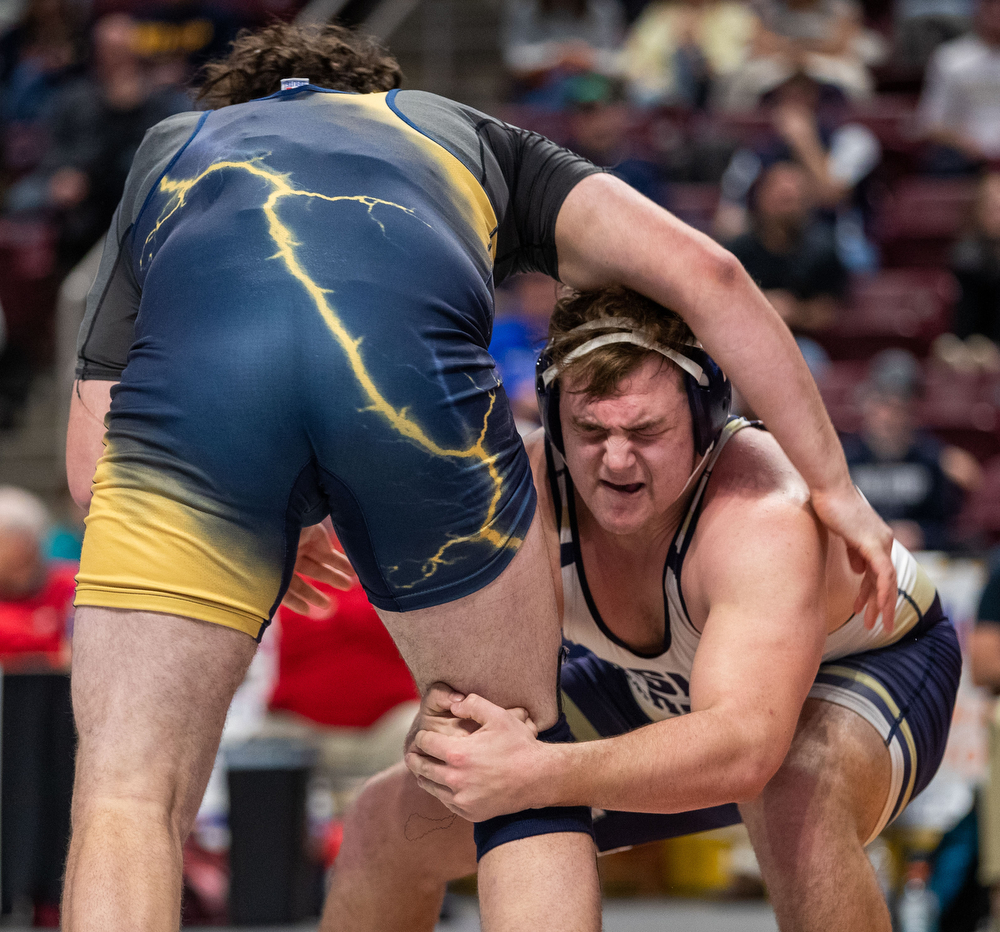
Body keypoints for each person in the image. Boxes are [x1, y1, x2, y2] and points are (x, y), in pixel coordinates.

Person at [64, 20, 896, 932]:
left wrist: (252, 515)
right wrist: (836, 485)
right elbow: (714, 274)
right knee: (510, 765)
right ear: (381, 94)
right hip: (406, 392)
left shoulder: (173, 149)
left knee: (127, 792)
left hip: (200, 412)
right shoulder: (452, 129)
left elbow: (93, 456)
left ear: (234, 115)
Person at [322, 287, 960, 932]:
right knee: (389, 822)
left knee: (794, 787)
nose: (617, 461)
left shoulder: (763, 514)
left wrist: (543, 771)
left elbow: (745, 751)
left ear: (706, 421)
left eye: (646, 431)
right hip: (656, 683)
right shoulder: (528, 492)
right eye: (590, 431)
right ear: (554, 419)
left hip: (866, 664)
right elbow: (474, 706)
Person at [842, 348, 981, 552]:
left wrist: (921, 535)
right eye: (882, 404)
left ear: (914, 410)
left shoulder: (935, 460)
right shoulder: (844, 460)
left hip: (920, 560)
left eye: (899, 407)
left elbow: (949, 528)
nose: (888, 417)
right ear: (867, 404)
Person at [917, 0, 1000, 175]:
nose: (997, 11)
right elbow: (929, 121)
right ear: (979, 9)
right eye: (991, 4)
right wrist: (964, 142)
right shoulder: (950, 58)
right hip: (966, 159)